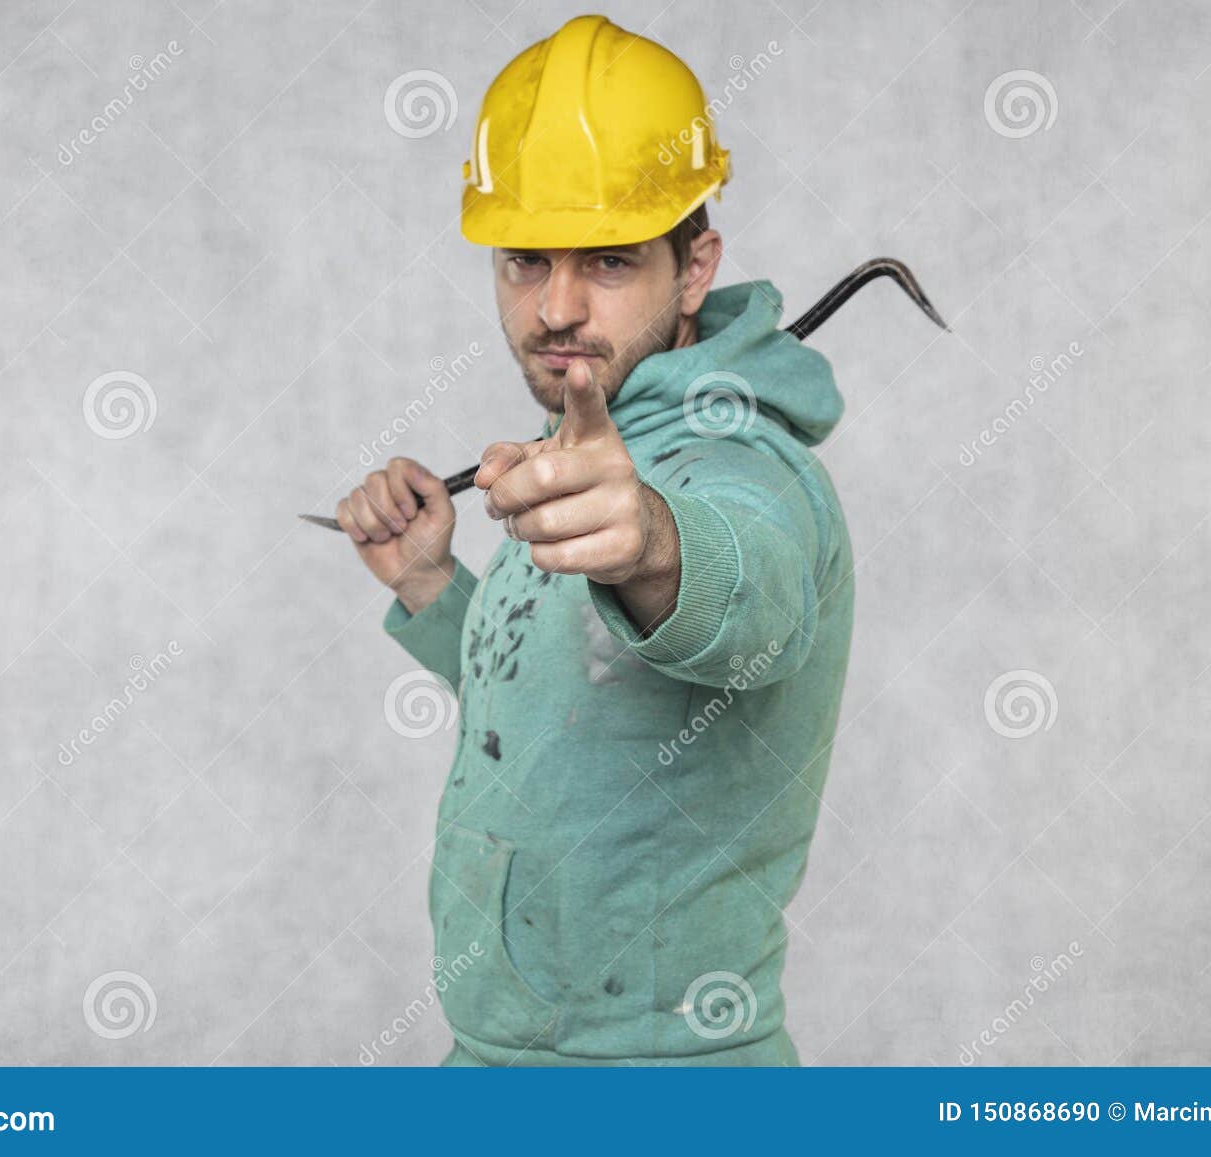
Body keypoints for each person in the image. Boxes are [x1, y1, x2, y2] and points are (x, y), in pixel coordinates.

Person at [335, 13, 853, 1066]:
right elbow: (564, 709)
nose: (556, 306)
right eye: (525, 260)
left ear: (694, 265)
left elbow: (749, 587)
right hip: (498, 1057)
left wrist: (656, 547)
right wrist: (439, 591)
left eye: (608, 261)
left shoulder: (742, 464)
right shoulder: (588, 446)